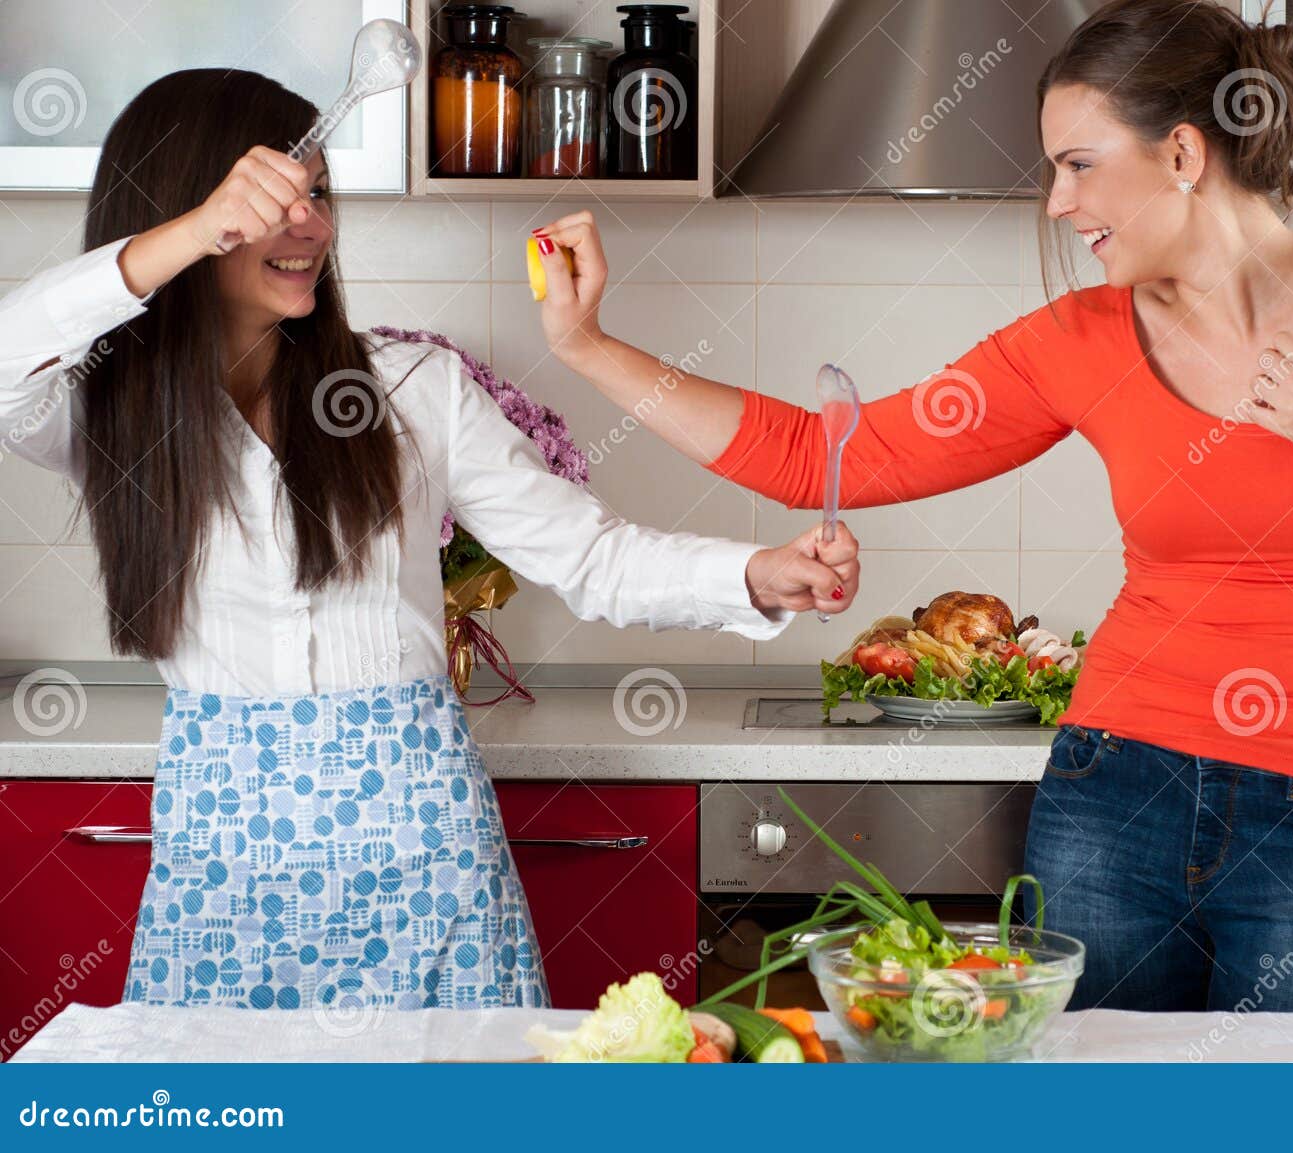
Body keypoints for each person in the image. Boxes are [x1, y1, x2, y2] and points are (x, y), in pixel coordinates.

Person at [527, 0, 1293, 1011]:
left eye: (1079, 166)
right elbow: (815, 451)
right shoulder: (1079, 339)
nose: (1056, 203)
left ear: (1184, 153)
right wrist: (587, 347)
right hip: (1114, 796)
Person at [0, 69, 861, 1011]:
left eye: (320, 195)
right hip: (222, 877)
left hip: (428, 861)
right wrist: (195, 233)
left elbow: (590, 555)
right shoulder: (107, 413)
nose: (314, 227)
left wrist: (757, 575)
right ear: (191, 212)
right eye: (279, 200)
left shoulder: (414, 389)